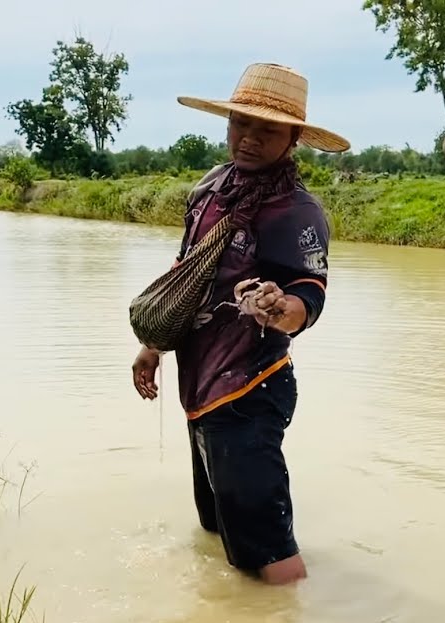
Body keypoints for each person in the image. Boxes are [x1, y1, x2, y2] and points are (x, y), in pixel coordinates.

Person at [130, 63, 350, 585]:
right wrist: (153, 344)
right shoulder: (212, 189)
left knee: (268, 553)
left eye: (268, 130)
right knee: (217, 527)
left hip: (250, 390)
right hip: (201, 384)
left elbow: (308, 295)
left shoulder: (294, 212)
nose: (249, 139)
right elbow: (189, 272)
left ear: (294, 138)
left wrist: (280, 310)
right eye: (240, 125)